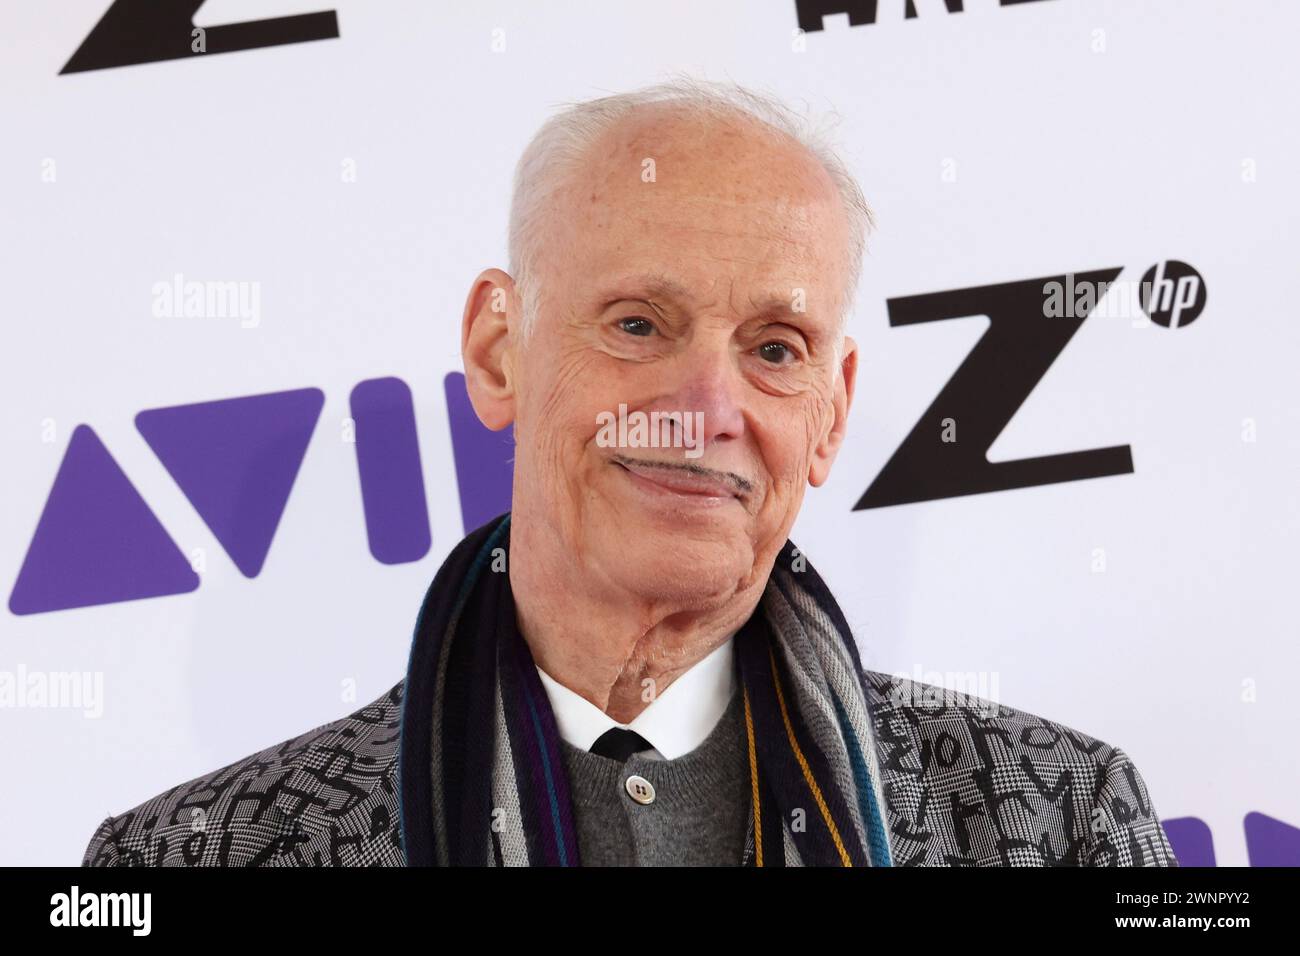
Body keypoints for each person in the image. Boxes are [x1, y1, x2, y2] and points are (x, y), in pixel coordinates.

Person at [82, 76, 1178, 867]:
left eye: (775, 348)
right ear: (497, 349)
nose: (707, 409)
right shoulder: (193, 854)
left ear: (832, 411)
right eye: (640, 323)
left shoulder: (1059, 820)